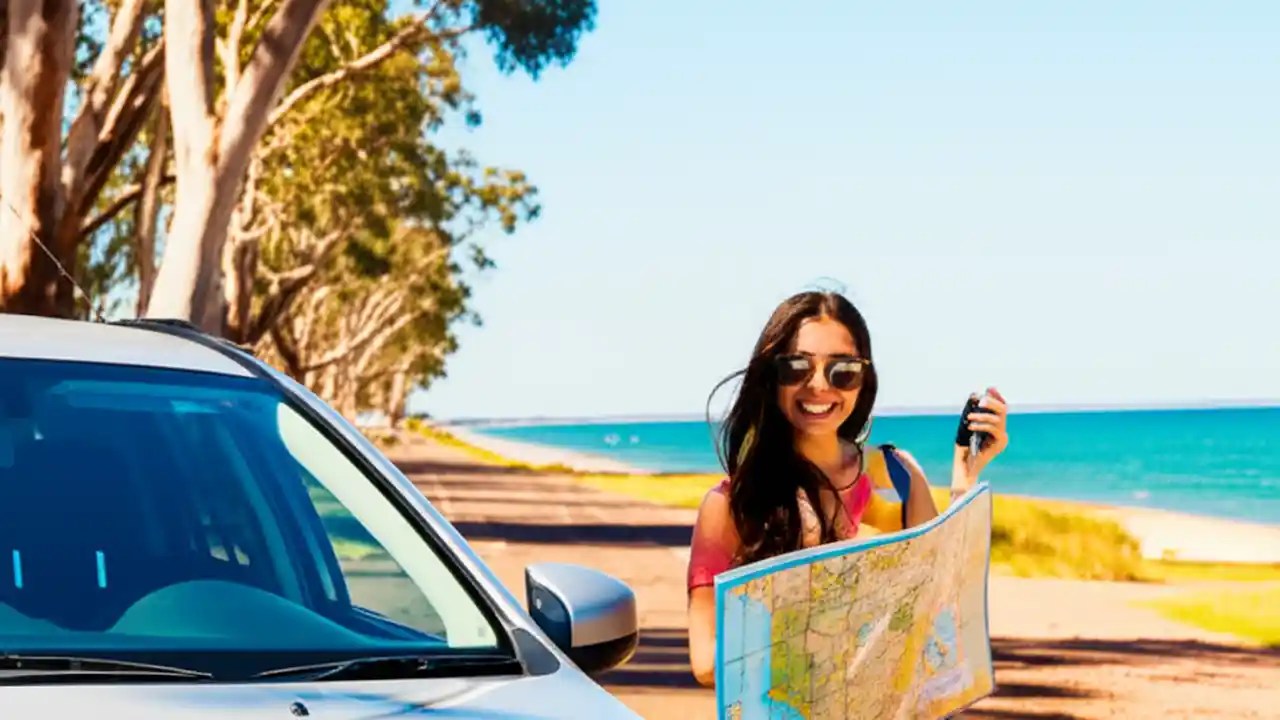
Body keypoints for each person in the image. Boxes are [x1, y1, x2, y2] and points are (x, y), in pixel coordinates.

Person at [685, 290, 1009, 687]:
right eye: (796, 368)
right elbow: (705, 662)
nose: (819, 385)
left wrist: (964, 475)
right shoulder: (732, 505)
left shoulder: (898, 477)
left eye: (843, 371)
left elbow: (940, 606)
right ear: (771, 378)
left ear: (863, 380)